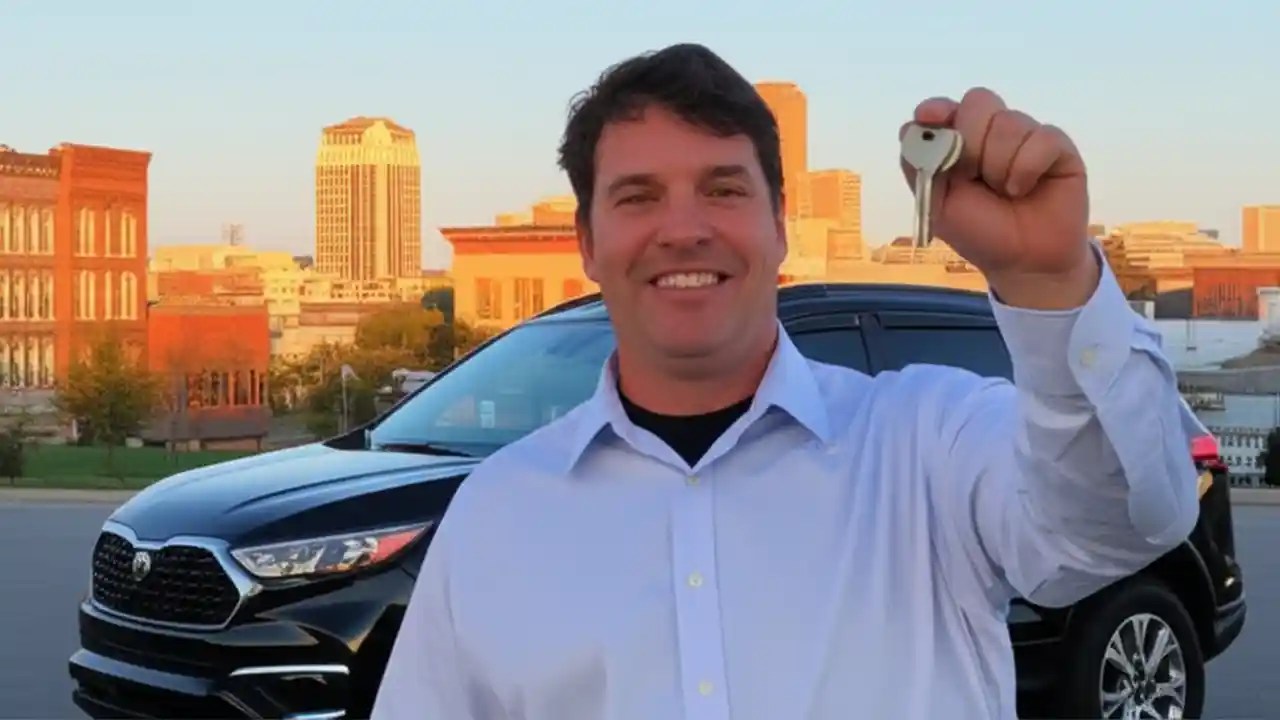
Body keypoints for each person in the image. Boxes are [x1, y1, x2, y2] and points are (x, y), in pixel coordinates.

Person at [371, 43, 1200, 720]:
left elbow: (1128, 520)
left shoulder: (925, 445)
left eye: (723, 189)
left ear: (779, 226)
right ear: (588, 244)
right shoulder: (496, 515)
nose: (685, 229)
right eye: (638, 197)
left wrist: (1053, 282)